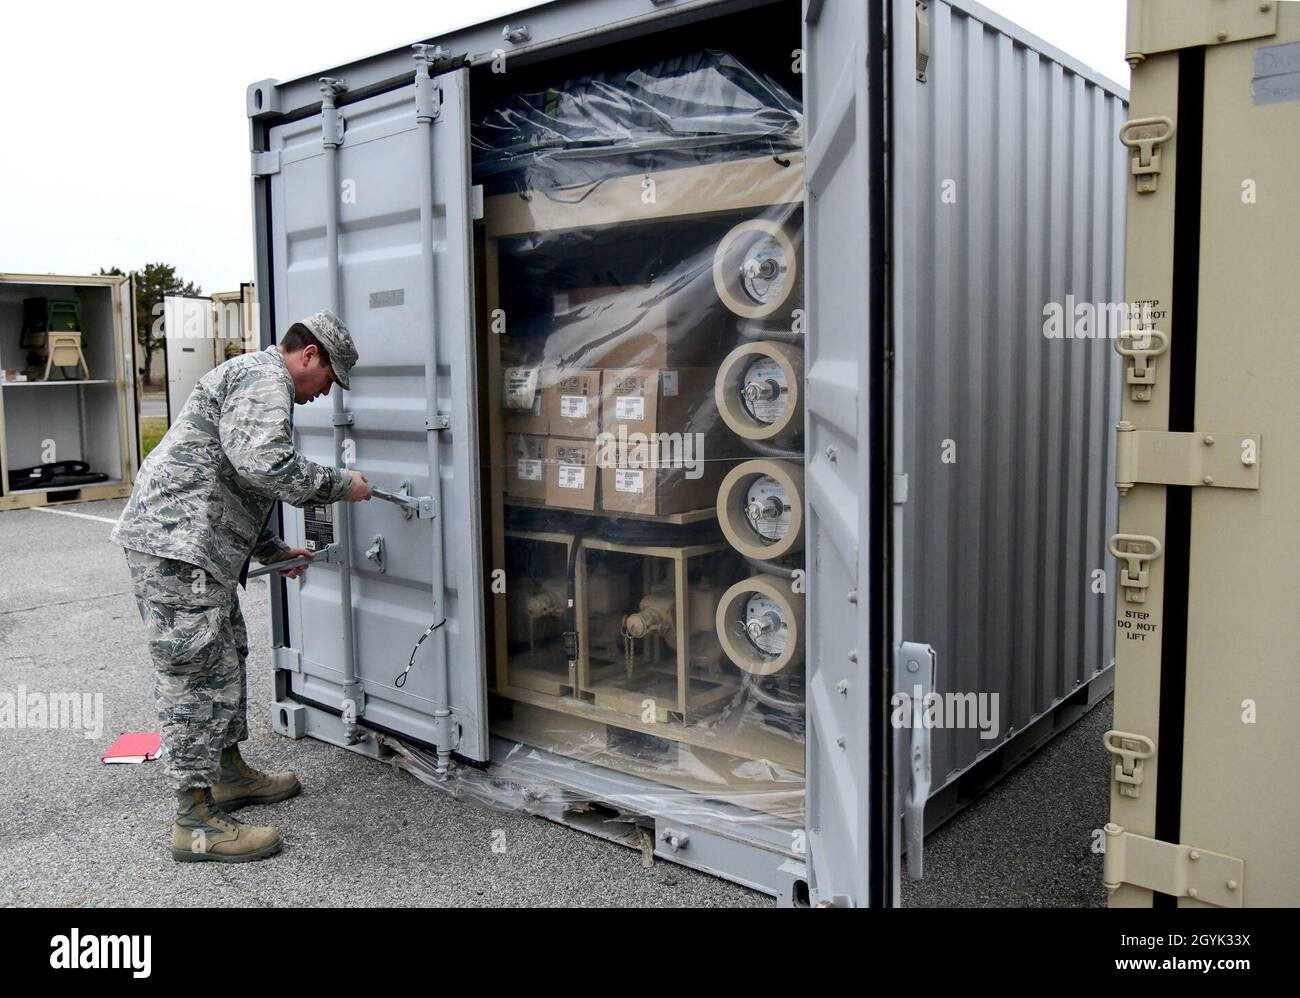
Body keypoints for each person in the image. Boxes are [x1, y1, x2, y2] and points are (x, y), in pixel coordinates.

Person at [112, 309, 372, 863]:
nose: (324, 394)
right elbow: (264, 464)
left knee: (226, 655)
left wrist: (273, 550)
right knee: (195, 672)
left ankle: (227, 776)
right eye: (329, 379)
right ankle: (193, 821)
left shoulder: (256, 377)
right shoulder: (266, 378)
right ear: (309, 356)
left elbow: (229, 475)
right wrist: (339, 485)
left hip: (197, 547)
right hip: (175, 546)